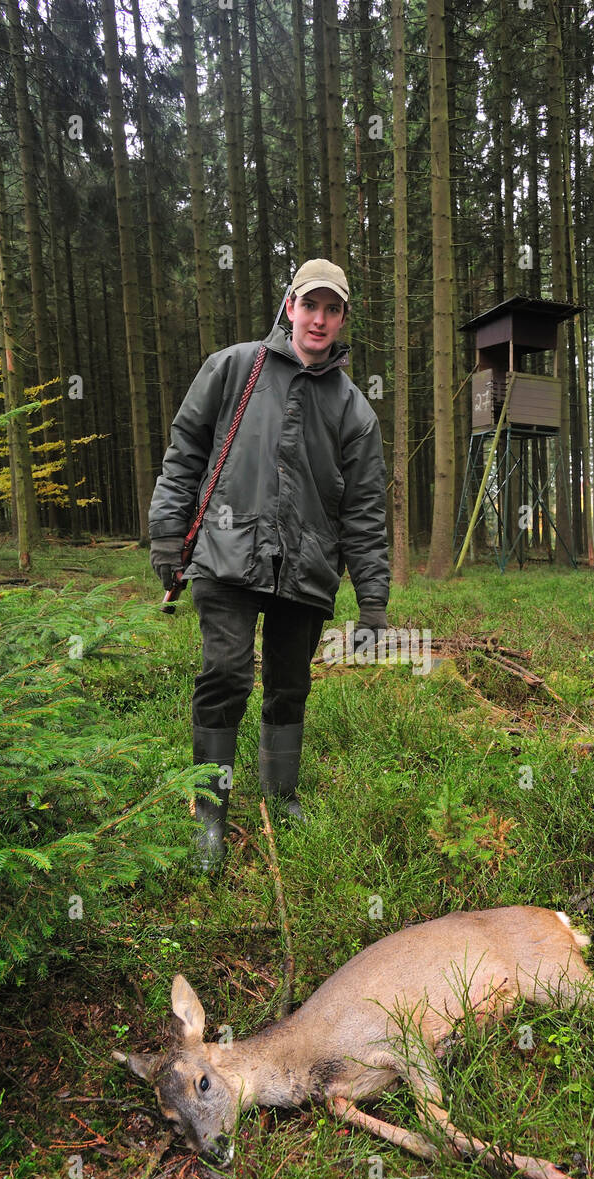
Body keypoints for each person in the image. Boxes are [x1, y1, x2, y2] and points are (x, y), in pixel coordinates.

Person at [149, 259, 389, 870]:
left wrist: (374, 603)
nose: (319, 319)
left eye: (332, 309)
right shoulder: (232, 368)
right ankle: (210, 811)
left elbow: (364, 512)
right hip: (226, 555)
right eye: (311, 305)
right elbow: (184, 455)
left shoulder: (354, 408)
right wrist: (166, 537)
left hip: (307, 569)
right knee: (226, 674)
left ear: (341, 321)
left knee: (290, 687)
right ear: (289, 306)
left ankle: (280, 797)